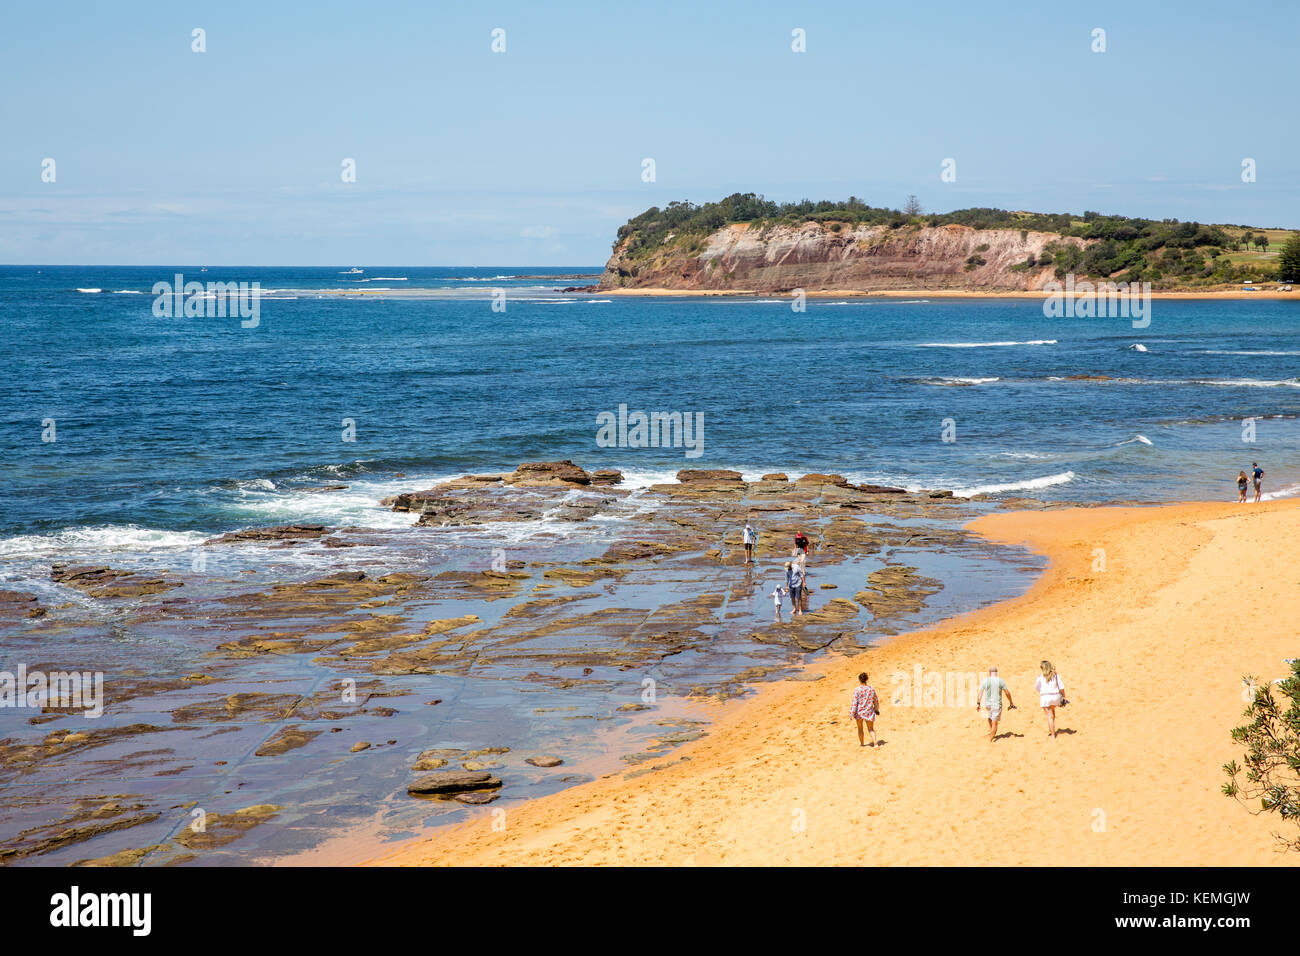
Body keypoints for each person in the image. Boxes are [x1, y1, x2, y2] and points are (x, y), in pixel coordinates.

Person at [975, 666, 1015, 742]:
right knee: (995, 724)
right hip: (997, 705)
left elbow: (980, 693)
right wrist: (1011, 702)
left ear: (989, 673)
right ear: (996, 673)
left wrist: (978, 703)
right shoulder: (1000, 681)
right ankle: (990, 740)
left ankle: (991, 733)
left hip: (988, 705)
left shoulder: (985, 681)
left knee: (990, 718)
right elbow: (1007, 692)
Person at [1035, 660, 1066, 738]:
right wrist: (1064, 697)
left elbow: (1037, 688)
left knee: (1049, 716)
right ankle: (1051, 728)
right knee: (1052, 712)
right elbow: (1061, 687)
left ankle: (1052, 734)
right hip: (1056, 697)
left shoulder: (1040, 676)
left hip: (1046, 697)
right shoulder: (1055, 675)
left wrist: (1043, 692)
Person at [850, 672, 880, 747]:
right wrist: (876, 709)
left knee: (860, 729)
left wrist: (852, 713)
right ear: (867, 679)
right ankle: (875, 743)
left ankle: (862, 744)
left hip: (859, 712)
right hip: (869, 711)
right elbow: (875, 700)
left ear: (859, 680)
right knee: (871, 729)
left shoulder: (857, 690)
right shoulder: (871, 689)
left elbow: (854, 702)